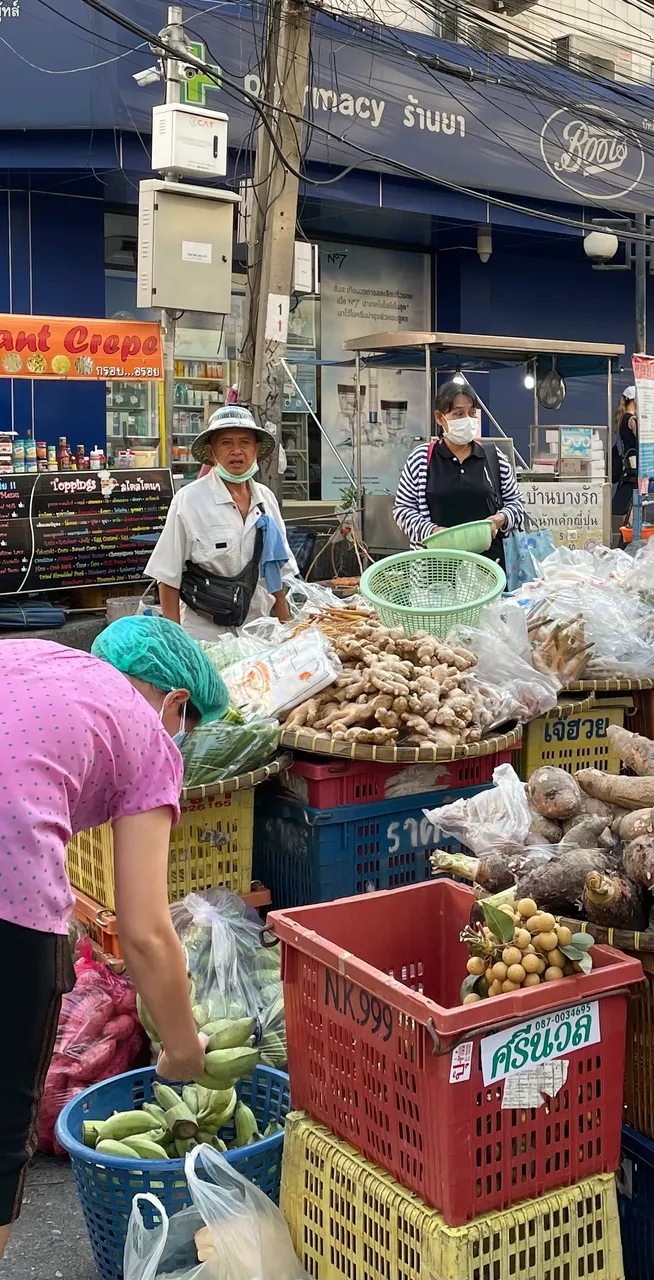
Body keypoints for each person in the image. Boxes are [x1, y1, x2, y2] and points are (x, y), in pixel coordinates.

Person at [0, 617, 226, 1257]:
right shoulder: (150, 734)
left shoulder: (42, 660)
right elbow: (148, 931)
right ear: (178, 704)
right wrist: (181, 1051)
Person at [146, 406, 296, 642]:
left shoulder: (265, 500)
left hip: (258, 632)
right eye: (226, 443)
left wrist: (288, 628)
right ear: (211, 451)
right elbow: (167, 576)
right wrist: (177, 644)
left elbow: (276, 572)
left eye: (245, 442)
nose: (236, 451)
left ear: (256, 449)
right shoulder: (190, 500)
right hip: (206, 638)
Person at [394, 382, 525, 561]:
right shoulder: (421, 459)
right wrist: (432, 532)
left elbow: (516, 503)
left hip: (490, 567)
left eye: (471, 413)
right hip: (436, 568)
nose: (467, 419)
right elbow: (402, 509)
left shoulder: (493, 457)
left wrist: (500, 518)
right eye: (458, 414)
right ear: (440, 418)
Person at [611, 386, 654, 540]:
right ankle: (632, 539)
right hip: (635, 471)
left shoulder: (622, 419)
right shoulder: (632, 420)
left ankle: (628, 538)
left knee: (628, 506)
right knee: (633, 505)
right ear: (635, 400)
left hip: (628, 470)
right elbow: (643, 441)